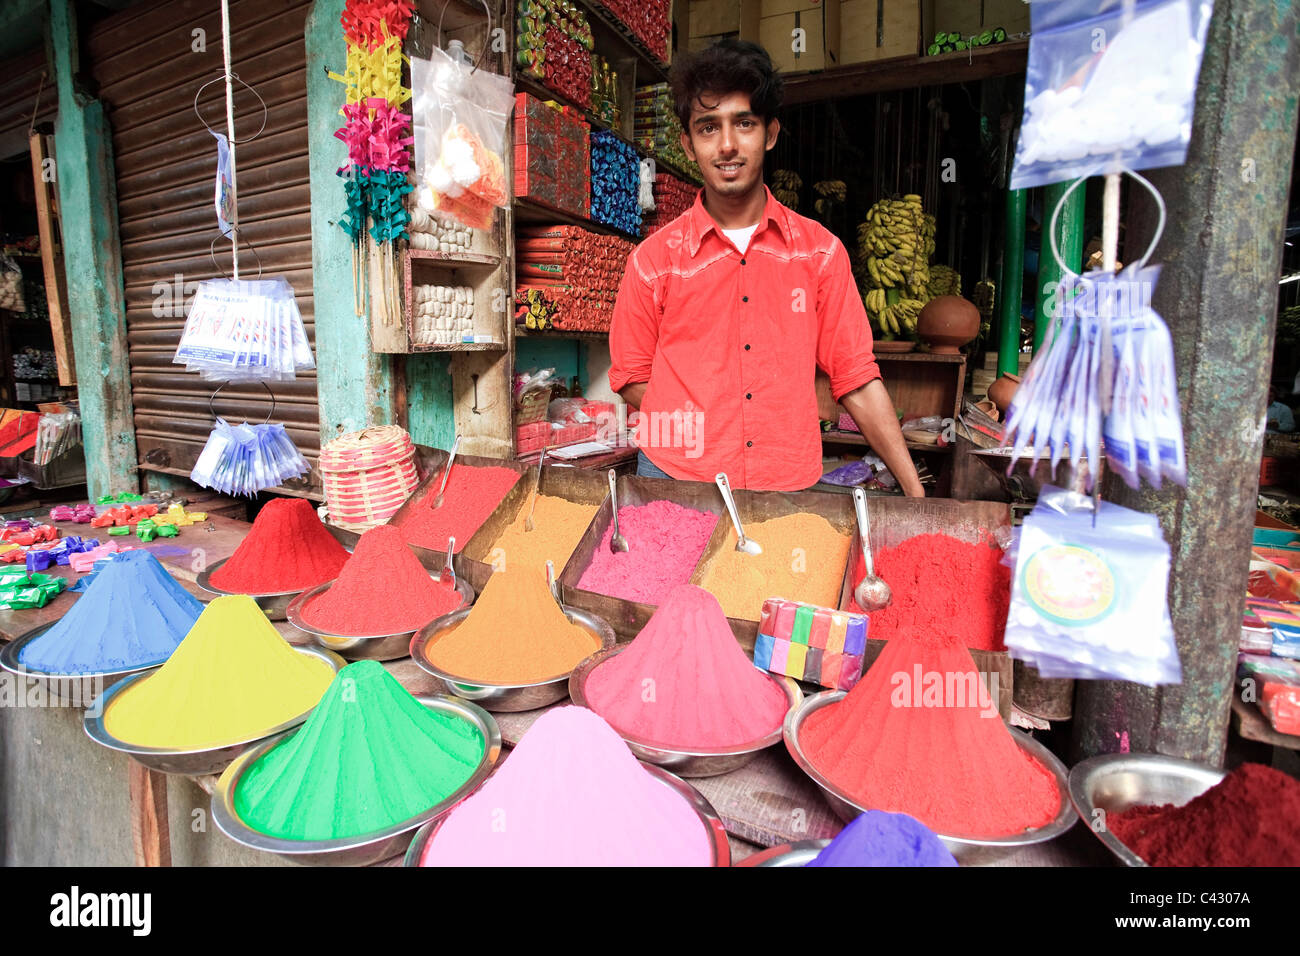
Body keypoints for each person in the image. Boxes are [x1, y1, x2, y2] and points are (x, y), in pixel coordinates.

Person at [608, 39, 924, 495]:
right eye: (708, 128)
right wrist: (708, 421)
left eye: (744, 123)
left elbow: (855, 377)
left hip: (784, 481)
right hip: (674, 477)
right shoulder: (653, 262)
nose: (728, 146)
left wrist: (914, 491)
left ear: (770, 133)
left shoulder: (819, 254)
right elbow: (631, 375)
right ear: (688, 143)